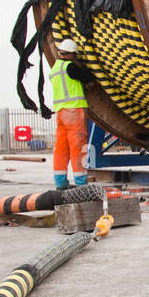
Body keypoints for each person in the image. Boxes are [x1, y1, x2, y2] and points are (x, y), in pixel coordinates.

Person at [50, 40, 89, 188]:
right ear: (72, 54)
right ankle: (81, 183)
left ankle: (60, 182)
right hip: (74, 112)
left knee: (61, 149)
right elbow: (87, 76)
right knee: (78, 147)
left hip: (60, 113)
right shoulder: (70, 67)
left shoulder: (55, 69)